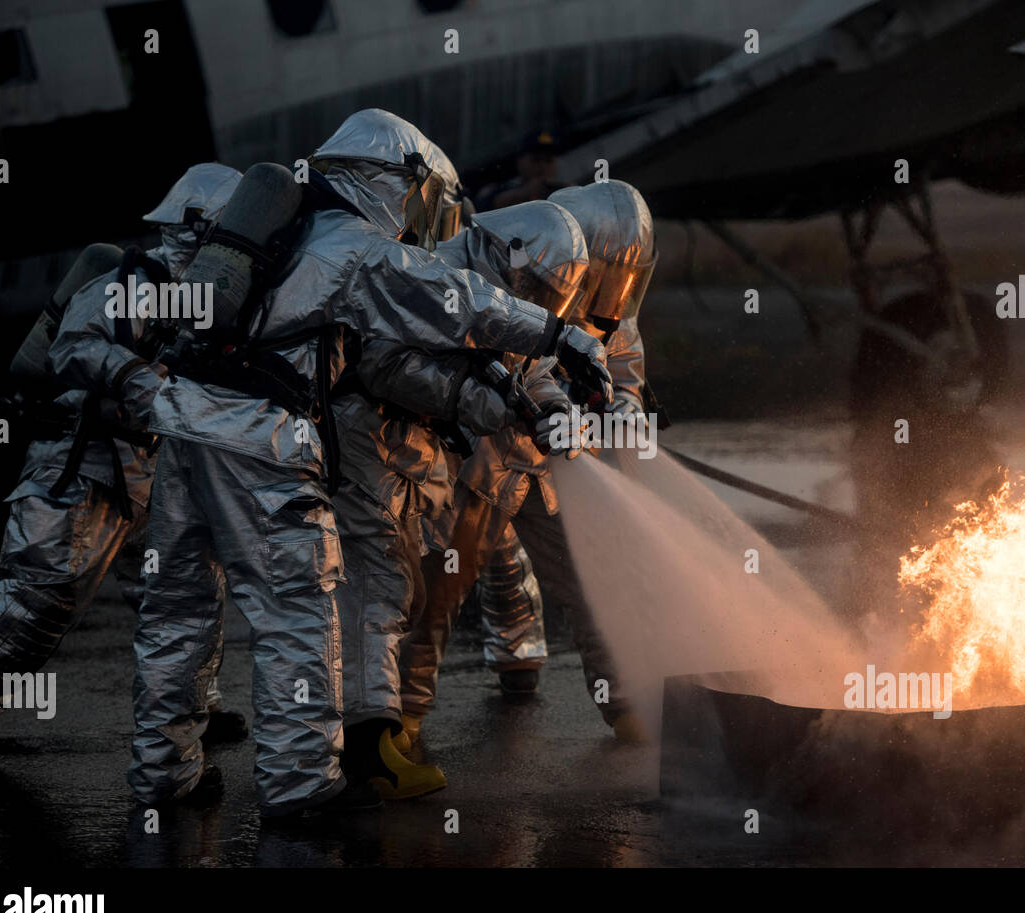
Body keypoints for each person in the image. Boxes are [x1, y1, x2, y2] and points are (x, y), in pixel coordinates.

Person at [58, 108, 611, 818]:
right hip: (260, 438)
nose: (419, 218)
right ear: (391, 181)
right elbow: (458, 302)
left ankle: (165, 776)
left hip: (186, 426)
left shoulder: (274, 232)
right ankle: (302, 787)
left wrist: (142, 388)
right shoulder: (353, 246)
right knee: (297, 610)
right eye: (419, 198)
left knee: (179, 610)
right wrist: (559, 336)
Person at [0, 164, 247, 749]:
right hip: (80, 462)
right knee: (38, 601)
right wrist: (151, 389)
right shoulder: (131, 284)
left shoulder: (211, 301)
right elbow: (74, 348)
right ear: (203, 227)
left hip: (152, 471)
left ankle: (187, 713)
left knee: (182, 596)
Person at [335, 196, 589, 799]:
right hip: (366, 454)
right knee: (383, 596)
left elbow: (534, 372)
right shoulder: (425, 275)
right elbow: (381, 364)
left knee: (400, 595)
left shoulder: (503, 296)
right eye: (531, 285)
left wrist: (556, 414)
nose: (534, 301)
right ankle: (367, 749)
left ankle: (368, 738)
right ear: (506, 252)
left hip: (413, 471)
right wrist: (479, 401)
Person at [399, 179, 656, 743]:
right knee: (438, 590)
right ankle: (400, 722)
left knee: (595, 581)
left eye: (622, 279)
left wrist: (620, 413)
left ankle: (631, 710)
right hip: (479, 466)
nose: (610, 294)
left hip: (554, 467)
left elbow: (627, 376)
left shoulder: (611, 310)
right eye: (604, 273)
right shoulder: (524, 273)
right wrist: (534, 407)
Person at [474, 130, 566, 212]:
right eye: (536, 159)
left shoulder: (563, 193)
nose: (542, 166)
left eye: (548, 160)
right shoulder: (499, 190)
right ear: (520, 162)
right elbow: (484, 207)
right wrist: (523, 193)